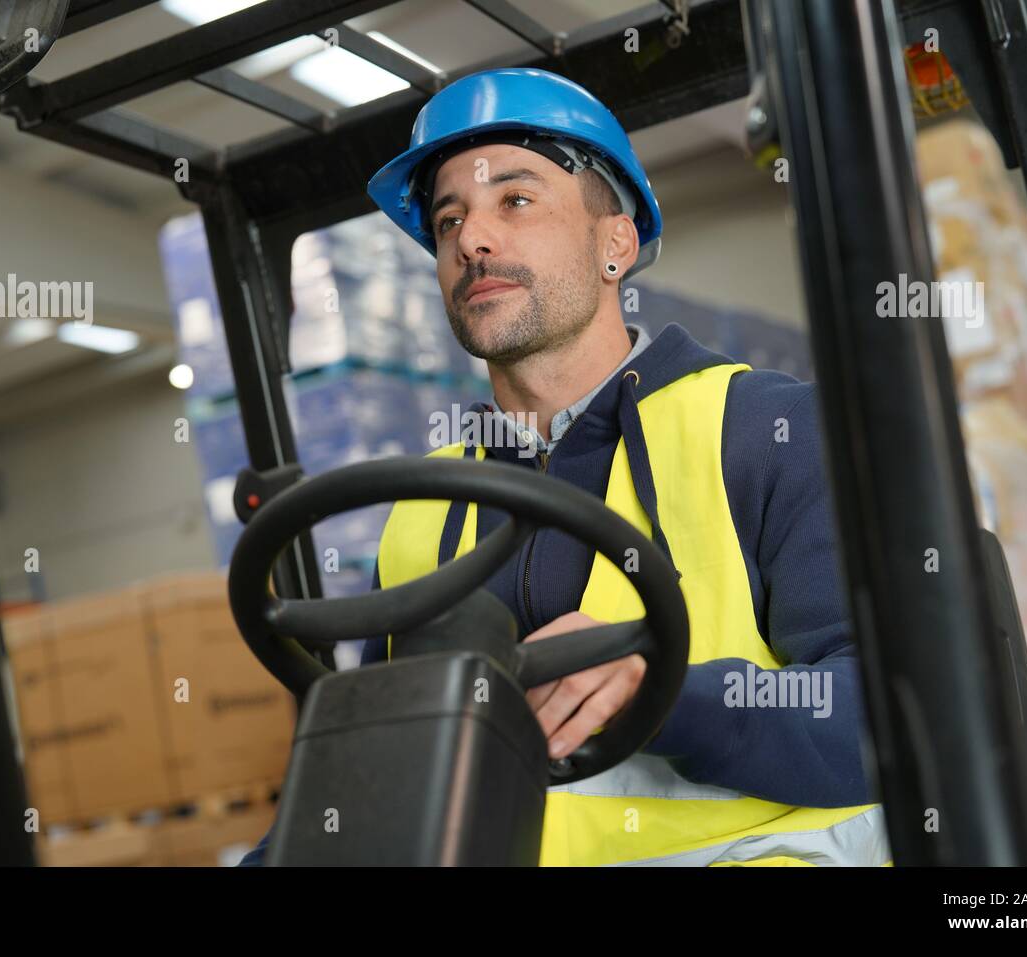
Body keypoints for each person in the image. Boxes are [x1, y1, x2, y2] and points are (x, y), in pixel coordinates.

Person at [242, 67, 887, 867]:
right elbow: (373, 765)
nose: (472, 240)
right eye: (449, 220)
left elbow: (890, 716)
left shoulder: (762, 429)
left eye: (515, 201)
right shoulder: (421, 513)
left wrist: (670, 695)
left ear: (615, 242)